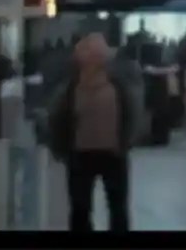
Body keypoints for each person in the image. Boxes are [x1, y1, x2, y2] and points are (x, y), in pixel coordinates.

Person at [46, 33, 139, 232]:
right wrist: (60, 148)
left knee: (118, 207)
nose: (94, 59)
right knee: (80, 208)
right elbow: (57, 119)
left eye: (98, 54)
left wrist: (126, 143)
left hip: (113, 154)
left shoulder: (118, 87)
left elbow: (131, 115)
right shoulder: (69, 89)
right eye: (89, 53)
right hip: (79, 155)